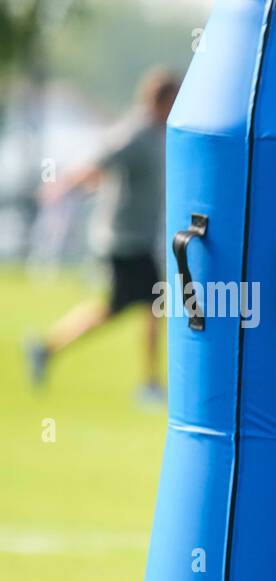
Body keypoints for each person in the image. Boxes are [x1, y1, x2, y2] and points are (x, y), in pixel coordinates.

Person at [25, 68, 179, 402]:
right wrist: (63, 186)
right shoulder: (136, 133)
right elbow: (98, 161)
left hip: (135, 237)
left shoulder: (155, 133)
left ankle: (47, 348)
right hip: (124, 238)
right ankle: (149, 383)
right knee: (152, 303)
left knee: (129, 306)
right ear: (162, 100)